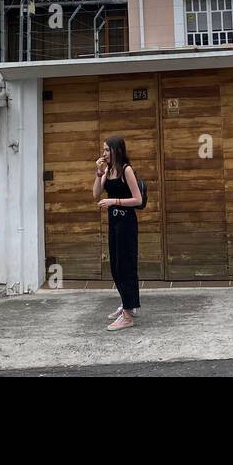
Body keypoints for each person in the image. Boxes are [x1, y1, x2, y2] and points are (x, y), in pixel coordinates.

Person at [93, 136, 142, 330]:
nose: (103, 153)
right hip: (114, 223)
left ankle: (128, 314)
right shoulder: (108, 170)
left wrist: (114, 201)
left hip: (127, 223)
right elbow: (96, 194)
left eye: (107, 150)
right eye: (103, 150)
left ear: (116, 151)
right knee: (115, 265)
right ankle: (126, 303)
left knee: (125, 266)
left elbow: (137, 199)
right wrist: (98, 173)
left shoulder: (125, 170)